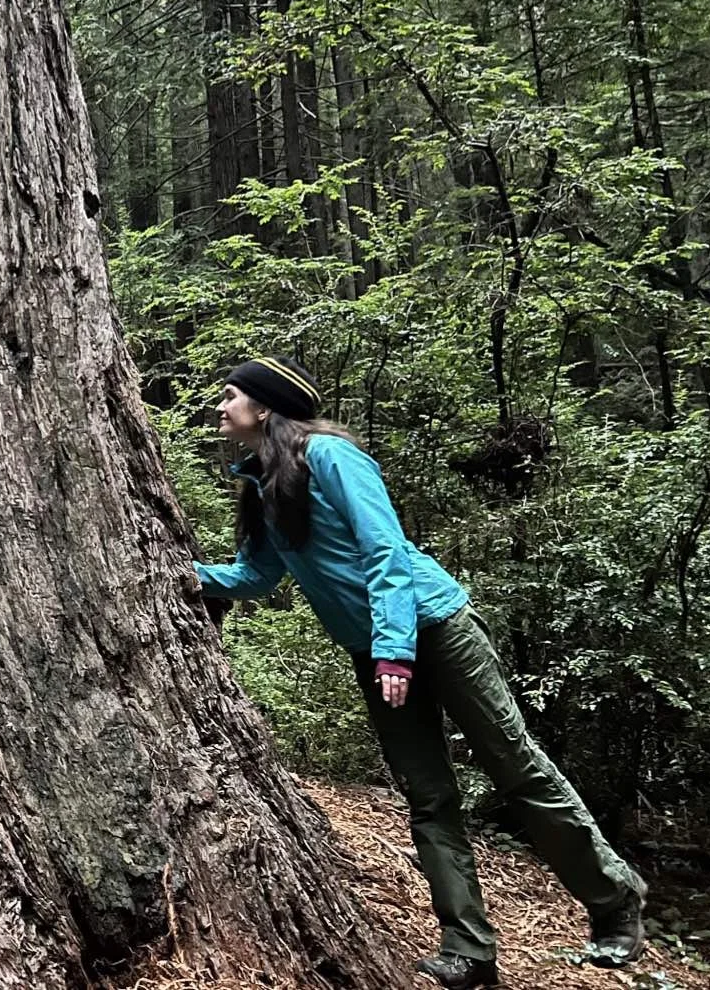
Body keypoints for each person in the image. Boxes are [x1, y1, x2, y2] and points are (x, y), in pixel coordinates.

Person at [192, 356, 647, 990]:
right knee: (428, 795)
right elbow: (258, 575)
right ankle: (469, 948)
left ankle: (614, 898)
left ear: (264, 406)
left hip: (434, 629)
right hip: (376, 650)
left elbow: (384, 549)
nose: (220, 406)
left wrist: (394, 650)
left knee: (514, 765)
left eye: (230, 395)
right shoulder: (264, 483)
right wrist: (182, 574)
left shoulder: (329, 455)